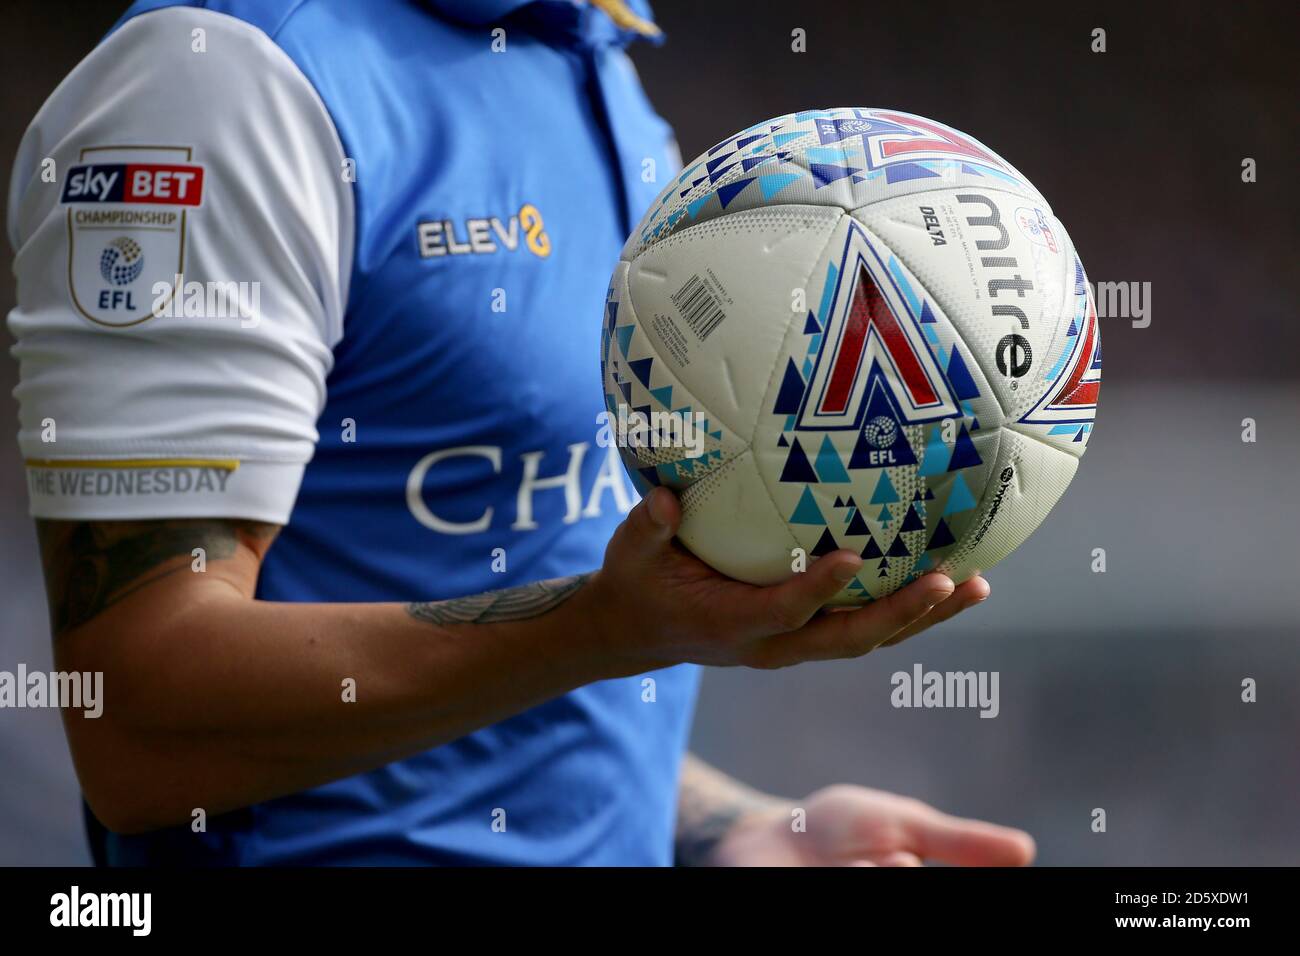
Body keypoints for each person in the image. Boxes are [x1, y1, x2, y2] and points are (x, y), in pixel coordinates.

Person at [7, 0, 1031, 866]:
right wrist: (600, 628)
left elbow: (522, 619)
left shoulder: (592, 53)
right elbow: (135, 720)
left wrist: (723, 829)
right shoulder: (221, 81)